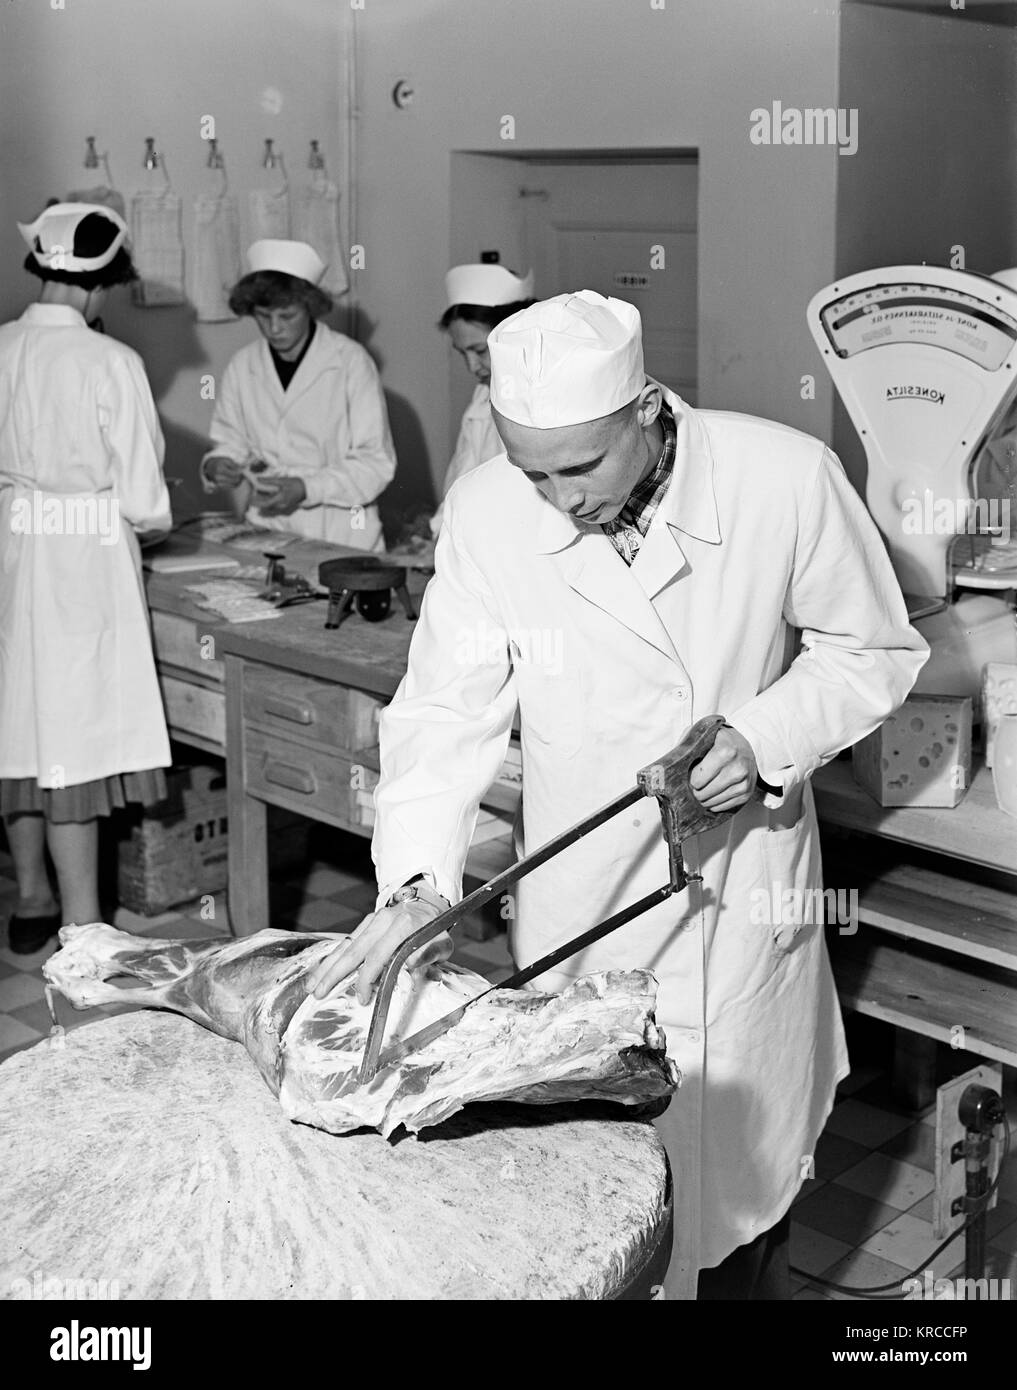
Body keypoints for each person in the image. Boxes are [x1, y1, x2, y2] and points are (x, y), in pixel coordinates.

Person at [308, 291, 928, 1299]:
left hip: (737, 906)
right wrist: (418, 880)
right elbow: (440, 715)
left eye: (581, 467)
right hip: (581, 907)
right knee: (593, 1224)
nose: (558, 499)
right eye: (532, 468)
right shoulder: (487, 511)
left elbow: (874, 649)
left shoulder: (780, 477)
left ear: (646, 410)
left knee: (734, 1228)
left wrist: (764, 737)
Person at [0, 203, 172, 954]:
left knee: (21, 724)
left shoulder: (2, 346)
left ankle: (32, 895)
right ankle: (81, 925)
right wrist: (152, 524)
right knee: (74, 732)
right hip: (83, 559)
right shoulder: (111, 362)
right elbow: (143, 500)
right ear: (103, 283)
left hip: (14, 547)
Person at [201, 239, 396, 550]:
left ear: (310, 308)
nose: (274, 328)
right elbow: (230, 440)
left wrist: (307, 488)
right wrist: (217, 464)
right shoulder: (243, 364)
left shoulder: (350, 361)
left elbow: (375, 464)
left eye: (286, 316)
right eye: (263, 316)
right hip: (267, 527)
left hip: (340, 533)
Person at [429, 263, 535, 535]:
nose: (472, 366)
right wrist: (439, 533)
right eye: (462, 353)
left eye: (479, 350)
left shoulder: (541, 395)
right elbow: (463, 477)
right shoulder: (482, 395)